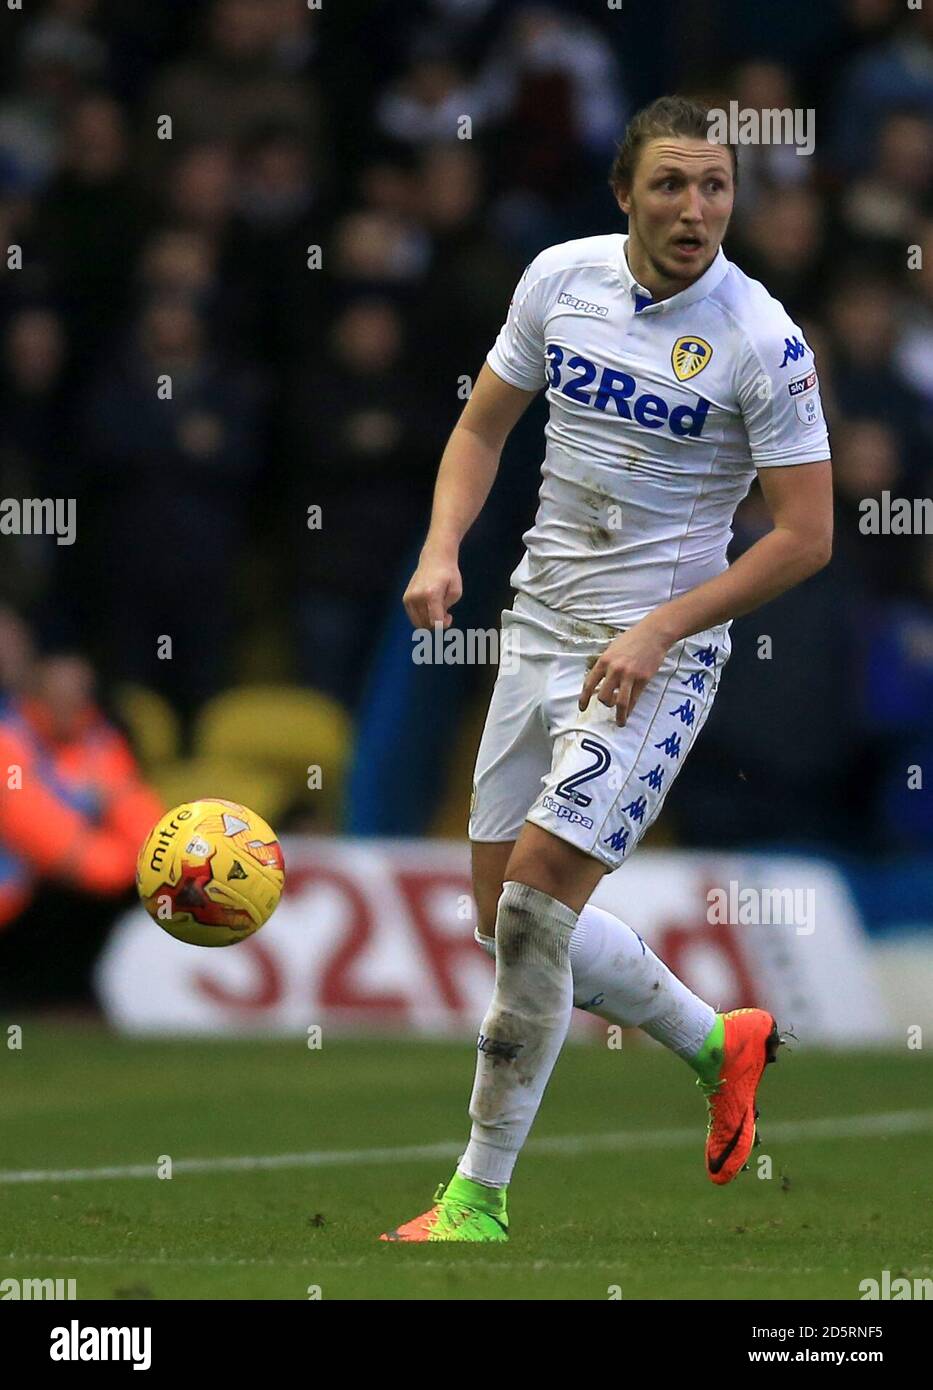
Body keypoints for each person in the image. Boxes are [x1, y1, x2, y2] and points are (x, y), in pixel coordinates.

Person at [381, 96, 833, 1243]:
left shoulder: (762, 340)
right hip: (537, 628)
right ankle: (714, 1037)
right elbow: (483, 427)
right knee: (503, 920)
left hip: (653, 655)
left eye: (717, 186)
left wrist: (661, 627)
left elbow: (806, 533)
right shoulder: (559, 279)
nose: (697, 209)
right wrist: (442, 548)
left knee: (534, 901)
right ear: (625, 192)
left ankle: (476, 1197)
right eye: (673, 185)